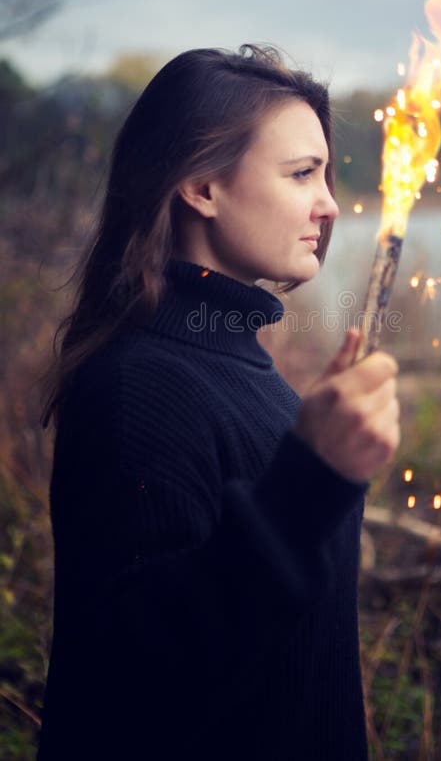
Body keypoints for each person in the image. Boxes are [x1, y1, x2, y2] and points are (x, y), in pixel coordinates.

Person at [38, 44, 400, 760]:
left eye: (326, 174)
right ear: (202, 187)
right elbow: (137, 686)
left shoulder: (235, 362)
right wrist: (311, 479)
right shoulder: (139, 389)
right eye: (302, 174)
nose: (328, 204)